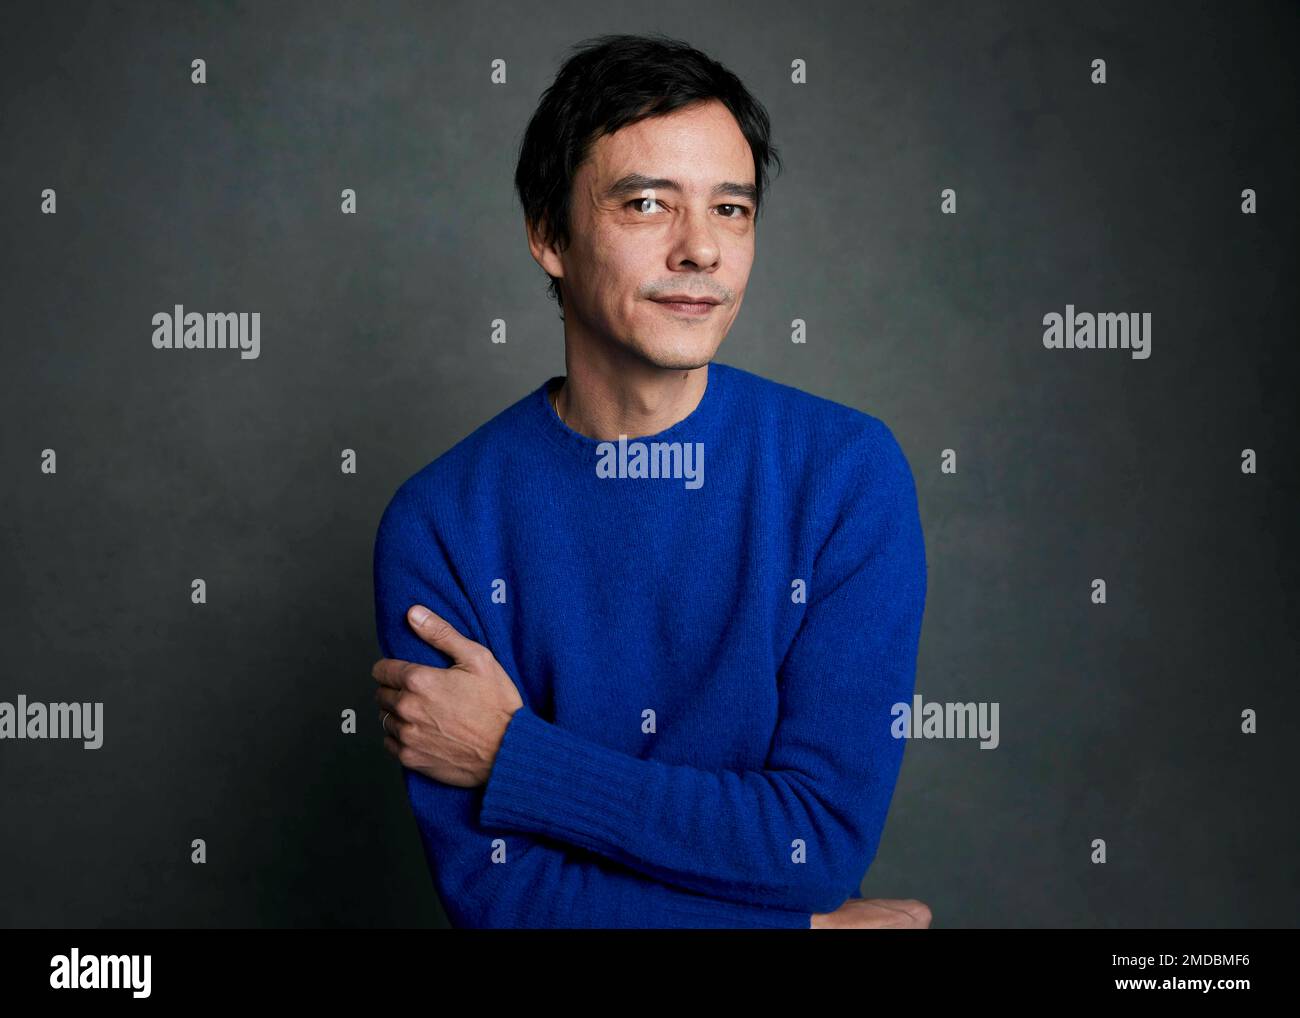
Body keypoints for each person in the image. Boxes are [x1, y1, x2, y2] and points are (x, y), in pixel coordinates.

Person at [372, 33, 930, 929]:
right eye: (646, 203)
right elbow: (501, 899)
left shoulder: (846, 476)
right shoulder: (440, 523)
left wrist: (516, 759)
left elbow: (815, 846)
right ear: (549, 234)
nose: (702, 250)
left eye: (733, 210)